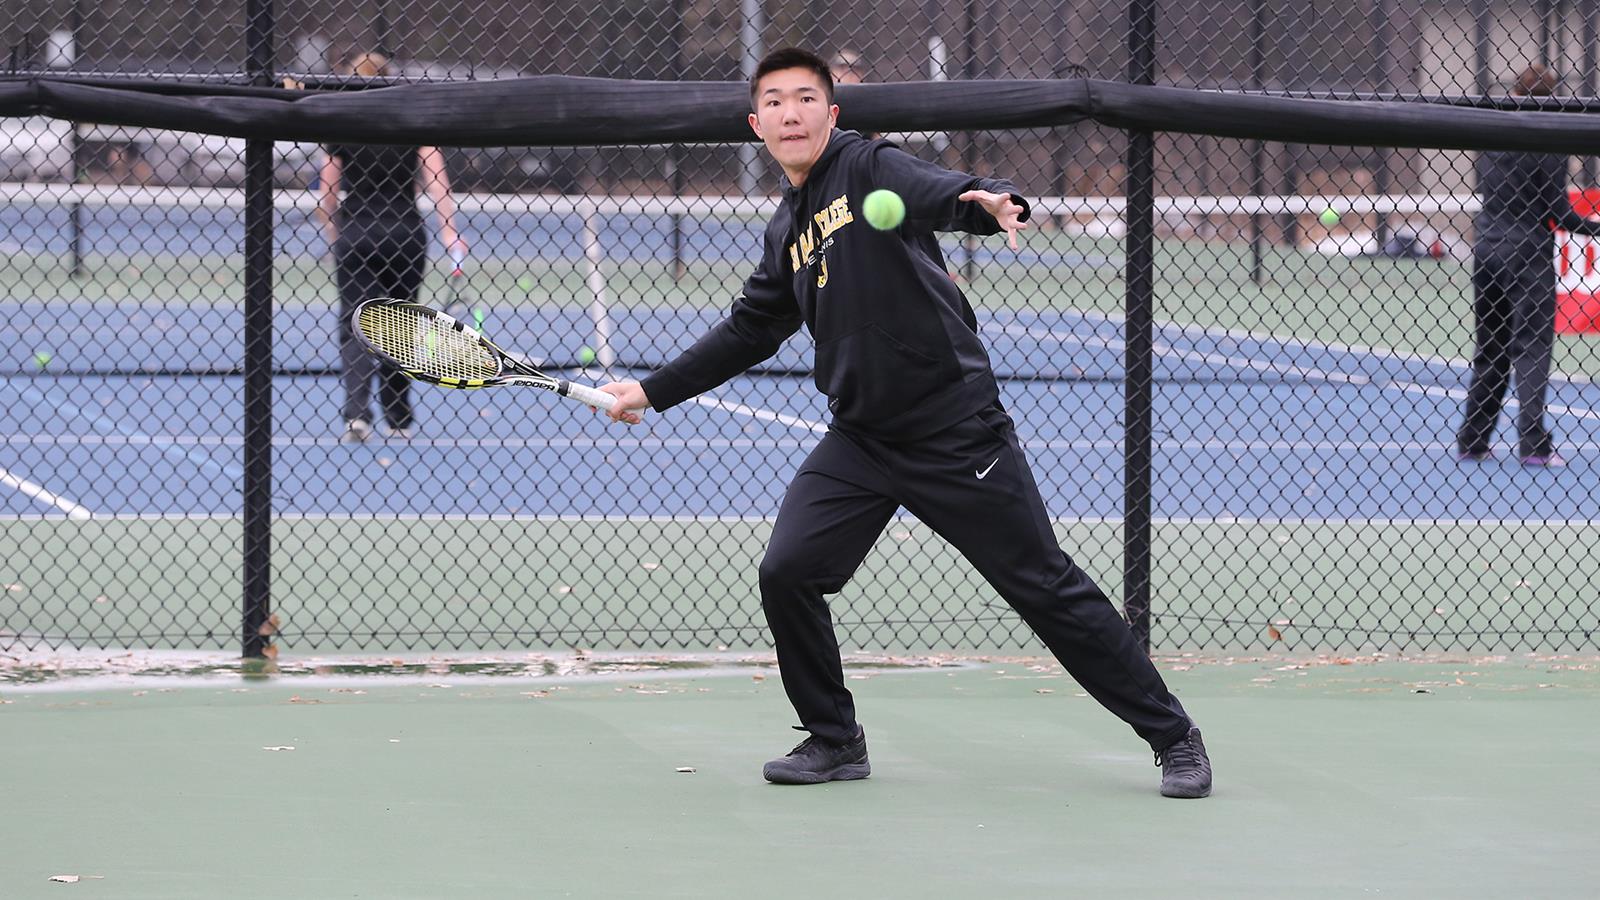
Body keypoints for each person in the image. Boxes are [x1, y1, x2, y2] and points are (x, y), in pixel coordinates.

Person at [597, 48, 1210, 798]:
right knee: (788, 571)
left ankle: (1173, 735)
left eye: (805, 99)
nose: (792, 113)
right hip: (861, 438)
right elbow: (751, 330)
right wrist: (653, 391)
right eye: (776, 103)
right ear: (758, 125)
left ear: (833, 113)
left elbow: (929, 191)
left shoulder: (865, 166)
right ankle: (833, 739)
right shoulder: (787, 229)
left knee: (1044, 587)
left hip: (954, 430)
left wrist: (981, 199)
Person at [316, 51, 466, 443]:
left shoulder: (344, 122)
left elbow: (327, 192)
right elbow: (437, 180)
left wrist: (335, 232)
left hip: (357, 233)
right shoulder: (410, 118)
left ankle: (356, 414)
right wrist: (449, 229)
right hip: (405, 234)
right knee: (401, 324)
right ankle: (398, 417)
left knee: (355, 323)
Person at [1458, 63, 1600, 467]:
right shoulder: (1547, 140)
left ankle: (1473, 438)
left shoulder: (1491, 137)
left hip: (1487, 251)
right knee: (1533, 348)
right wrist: (1595, 227)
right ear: (1552, 99)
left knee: (1491, 347)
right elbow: (1558, 213)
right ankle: (1533, 445)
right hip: (1527, 256)